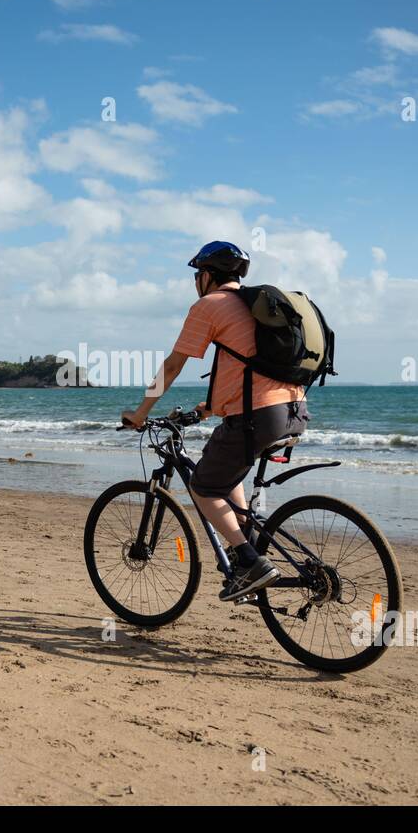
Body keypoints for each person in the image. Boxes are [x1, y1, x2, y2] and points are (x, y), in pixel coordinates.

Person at [121, 241, 309, 601]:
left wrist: (140, 412)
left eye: (196, 275)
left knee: (204, 487)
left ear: (207, 275)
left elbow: (174, 365)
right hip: (293, 410)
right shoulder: (253, 308)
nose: (195, 281)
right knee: (226, 473)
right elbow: (248, 366)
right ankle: (250, 562)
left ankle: (251, 562)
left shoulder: (209, 305)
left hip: (257, 416)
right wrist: (208, 407)